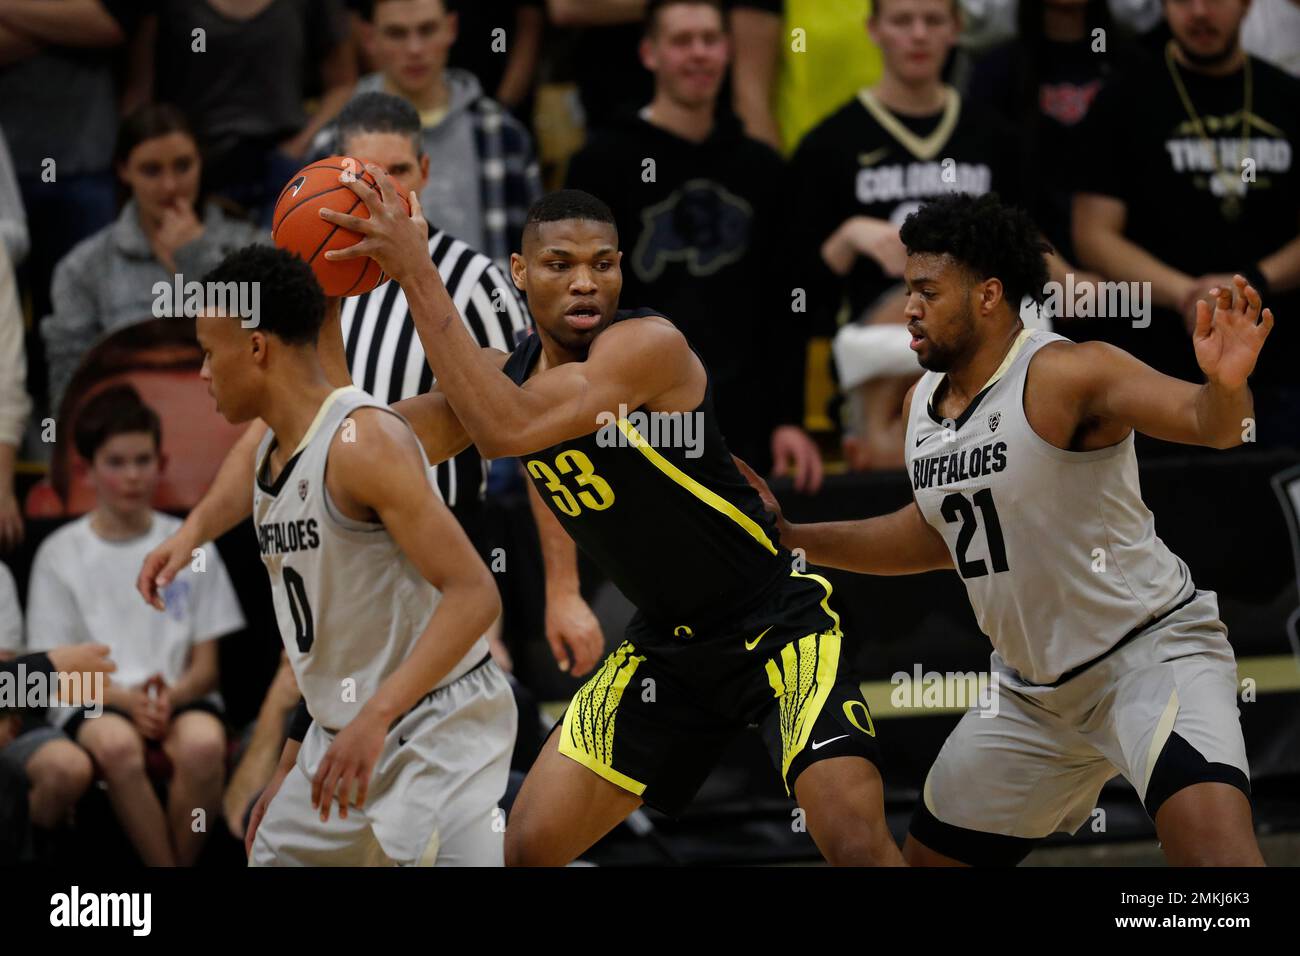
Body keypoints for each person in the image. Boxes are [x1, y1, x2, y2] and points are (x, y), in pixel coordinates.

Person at [323, 180, 904, 866]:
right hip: (667, 646)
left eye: (602, 264)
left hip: (774, 622)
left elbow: (509, 429)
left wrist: (416, 273)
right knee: (528, 847)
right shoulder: (499, 378)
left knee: (854, 842)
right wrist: (319, 321)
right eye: (559, 264)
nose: (585, 283)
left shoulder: (647, 346)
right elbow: (371, 440)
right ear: (519, 272)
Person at [741, 191, 1269, 866]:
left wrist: (1227, 385)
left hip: (1148, 656)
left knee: (1220, 872)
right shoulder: (921, 405)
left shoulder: (1069, 372)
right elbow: (935, 535)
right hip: (1031, 696)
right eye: (908, 289)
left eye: (928, 291)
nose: (908, 308)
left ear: (988, 295)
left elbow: (1213, 426)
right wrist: (794, 538)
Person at [141, 92, 602, 684]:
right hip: (338, 550)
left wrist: (563, 589)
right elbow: (276, 427)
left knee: (456, 705)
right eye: (365, 180)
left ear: (425, 173)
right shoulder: (312, 291)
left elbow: (539, 432)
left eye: (398, 174)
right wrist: (194, 532)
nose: (379, 197)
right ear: (334, 177)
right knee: (313, 720)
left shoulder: (475, 283)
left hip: (443, 540)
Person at [193, 244, 515, 866]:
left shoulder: (363, 440)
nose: (203, 373)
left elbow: (477, 594)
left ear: (256, 348)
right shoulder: (267, 464)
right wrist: (292, 763)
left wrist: (375, 717)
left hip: (436, 725)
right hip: (340, 731)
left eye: (208, 353)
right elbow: (329, 648)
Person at [565, 0, 822, 485]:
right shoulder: (601, 165)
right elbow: (581, 302)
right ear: (650, 53)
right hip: (631, 417)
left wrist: (789, 418)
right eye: (682, 41)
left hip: (744, 417)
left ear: (728, 50)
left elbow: (787, 303)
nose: (699, 53)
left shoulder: (762, 169)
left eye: (710, 40)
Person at [790, 0, 1023, 468]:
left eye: (933, 20)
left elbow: (1028, 254)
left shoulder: (996, 138)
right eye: (902, 21)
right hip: (878, 356)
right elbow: (791, 292)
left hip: (982, 342)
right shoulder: (828, 146)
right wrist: (846, 238)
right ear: (873, 29)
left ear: (956, 28)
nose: (918, 34)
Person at [26, 385, 246, 866]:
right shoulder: (59, 554)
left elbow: (207, 668)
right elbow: (53, 672)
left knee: (204, 745)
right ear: (86, 470)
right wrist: (129, 702)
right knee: (116, 745)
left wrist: (170, 698)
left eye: (142, 461)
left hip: (179, 697)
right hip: (97, 701)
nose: (132, 476)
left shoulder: (190, 544)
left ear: (161, 464)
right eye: (116, 462)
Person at [1073, 0, 1300, 447]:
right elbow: (1093, 234)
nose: (1199, 12)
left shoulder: (1288, 98)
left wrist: (1252, 281)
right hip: (1154, 367)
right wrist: (1187, 294)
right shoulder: (1123, 99)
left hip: (1281, 359)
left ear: (1246, 4)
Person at [41, 105, 265, 411]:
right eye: (151, 170)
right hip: (130, 428)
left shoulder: (252, 246)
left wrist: (196, 256)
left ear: (201, 161)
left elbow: (266, 352)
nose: (170, 185)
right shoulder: (83, 268)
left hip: (234, 422)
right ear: (124, 171)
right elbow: (69, 387)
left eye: (183, 166)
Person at [336, 0, 543, 267]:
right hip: (372, 293)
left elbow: (536, 252)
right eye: (396, 33)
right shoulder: (333, 142)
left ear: (451, 28)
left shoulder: (504, 136)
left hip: (487, 293)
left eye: (427, 29)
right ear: (368, 37)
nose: (415, 49)